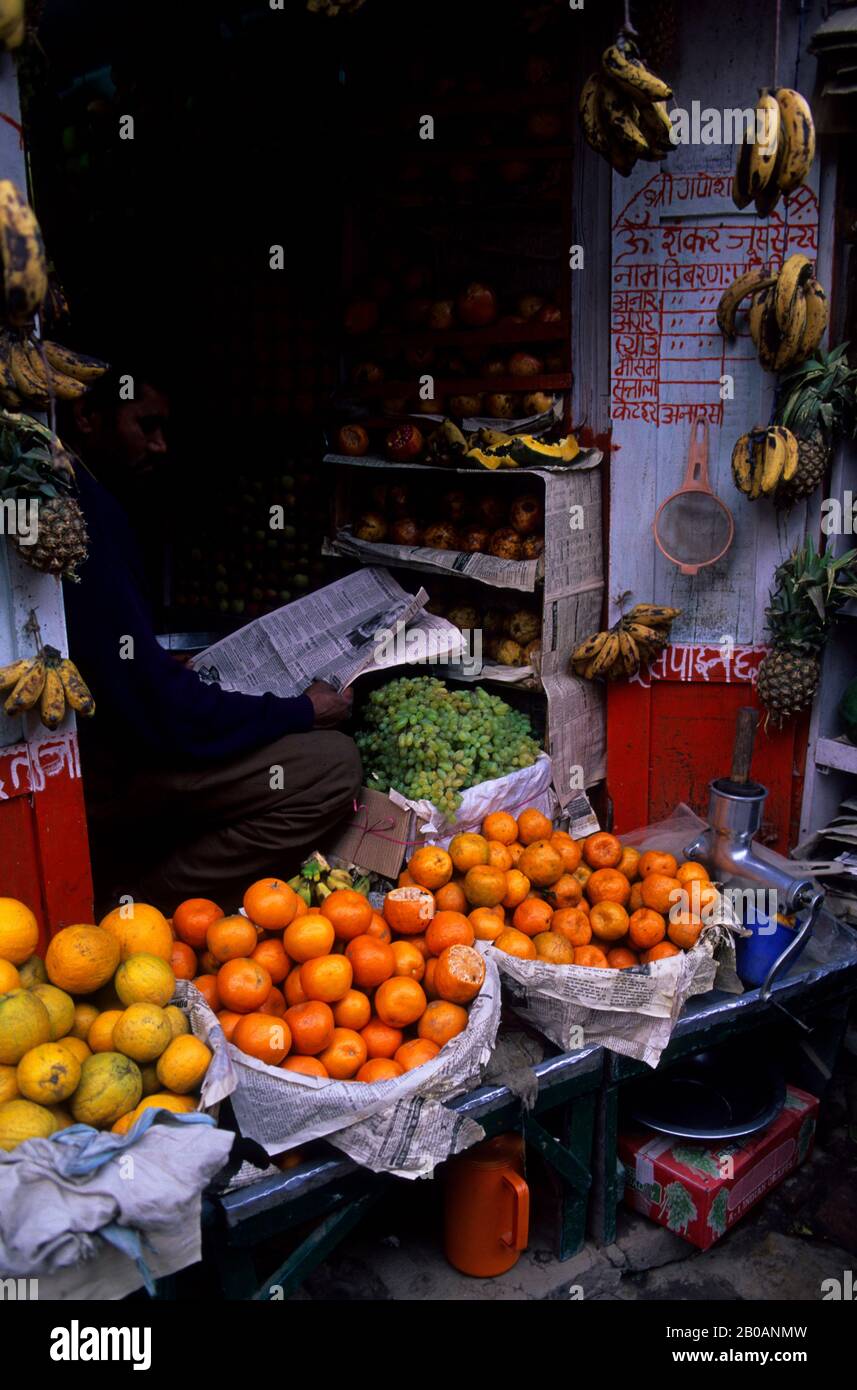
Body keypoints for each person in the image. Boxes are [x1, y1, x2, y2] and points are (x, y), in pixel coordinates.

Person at [61, 367, 361, 915]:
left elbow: (119, 665)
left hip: (123, 746)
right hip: (117, 770)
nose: (160, 445)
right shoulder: (83, 516)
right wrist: (301, 710)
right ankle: (145, 899)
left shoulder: (88, 501)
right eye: (146, 425)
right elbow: (165, 715)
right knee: (333, 766)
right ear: (85, 417)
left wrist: (156, 664)